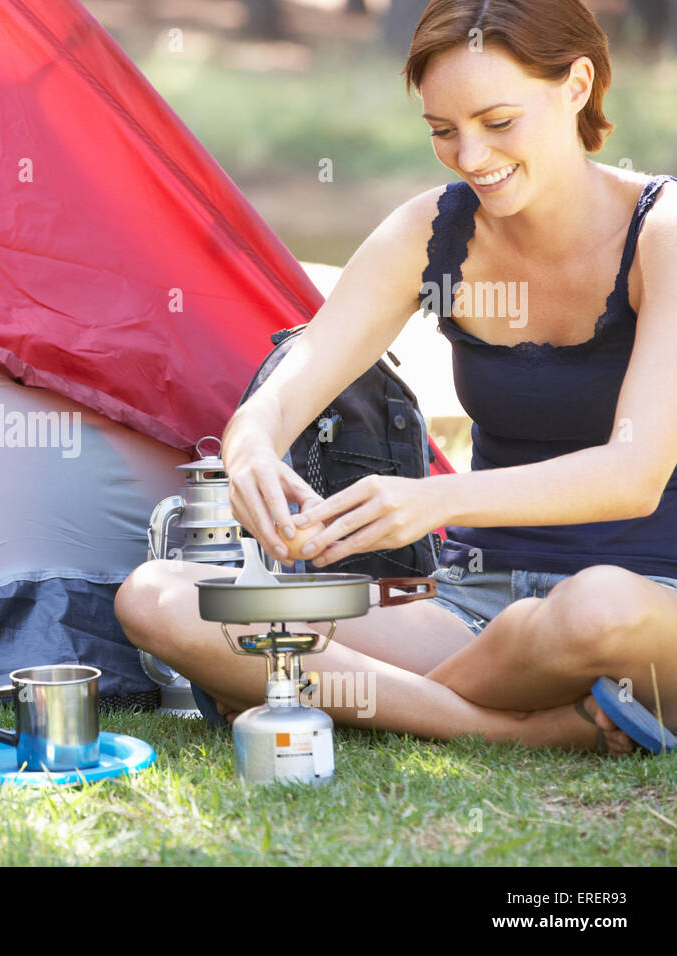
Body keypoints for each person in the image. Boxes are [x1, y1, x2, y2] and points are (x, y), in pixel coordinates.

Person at [117, 0, 677, 754]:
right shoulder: (433, 231)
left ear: (577, 85)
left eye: (498, 122)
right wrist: (249, 442)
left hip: (644, 608)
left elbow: (633, 474)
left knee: (593, 608)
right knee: (160, 599)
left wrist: (434, 498)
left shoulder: (663, 233)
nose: (471, 157)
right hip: (471, 609)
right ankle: (523, 729)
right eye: (443, 132)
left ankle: (339, 690)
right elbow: (303, 370)